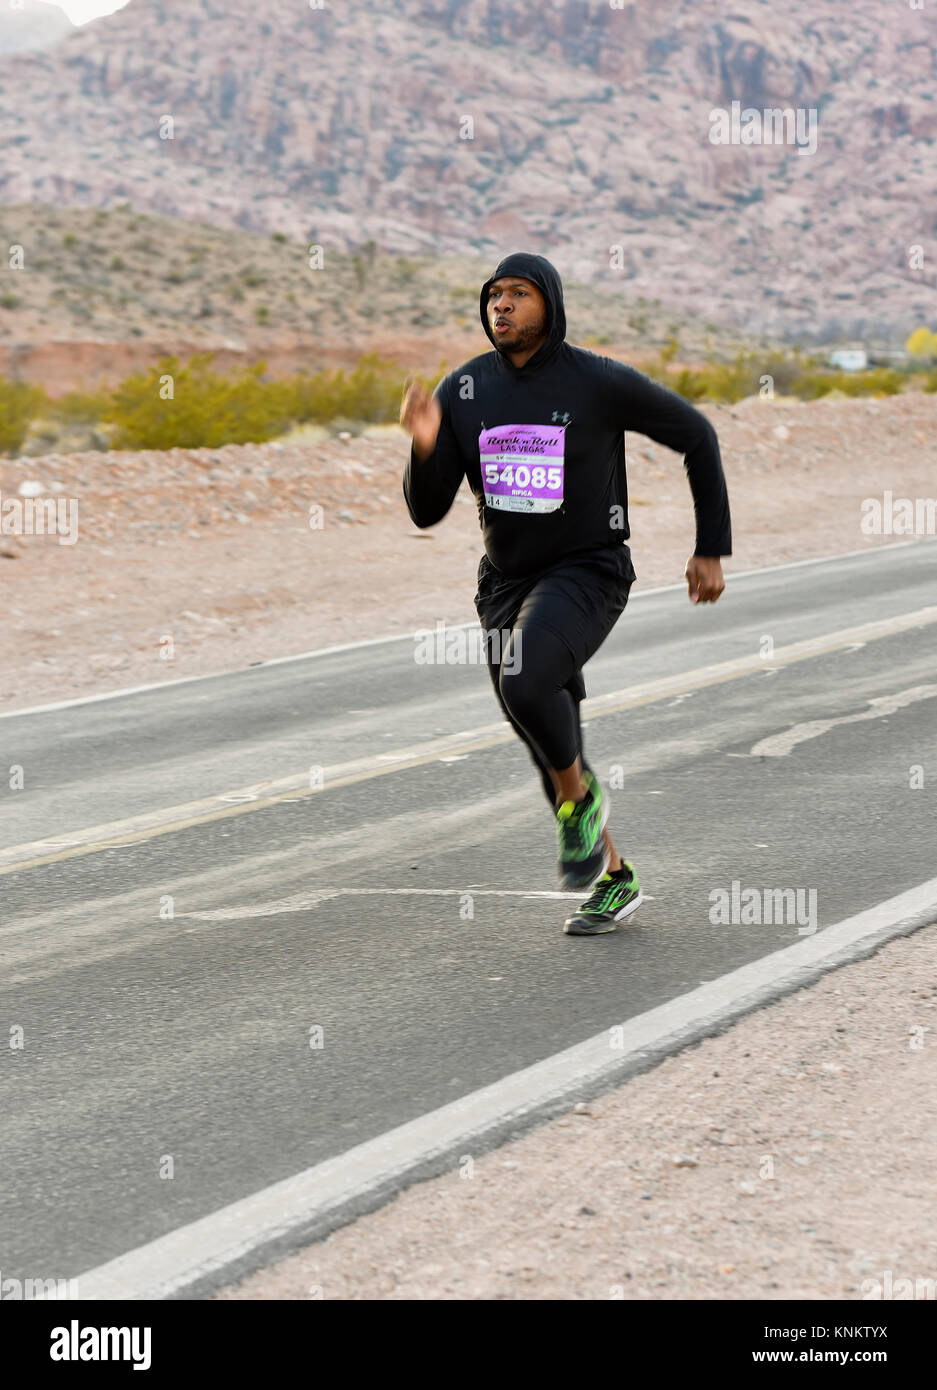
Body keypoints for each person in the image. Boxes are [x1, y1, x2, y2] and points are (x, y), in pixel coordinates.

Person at [400, 252, 730, 934]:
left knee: (525, 684)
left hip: (588, 569)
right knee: (544, 735)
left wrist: (709, 547)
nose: (502, 306)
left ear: (548, 303)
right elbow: (425, 512)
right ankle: (614, 877)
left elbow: (696, 435)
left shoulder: (596, 381)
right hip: (505, 583)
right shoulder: (464, 390)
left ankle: (578, 814)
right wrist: (425, 444)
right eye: (493, 296)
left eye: (518, 294)